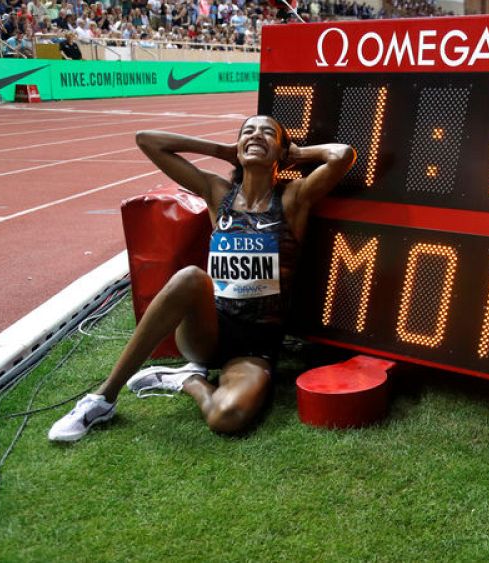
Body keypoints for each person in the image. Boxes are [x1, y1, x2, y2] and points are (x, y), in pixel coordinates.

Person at [48, 116, 355, 441]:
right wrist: (223, 150)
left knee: (227, 417)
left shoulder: (293, 198)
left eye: (268, 133)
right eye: (248, 132)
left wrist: (296, 154)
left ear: (280, 151)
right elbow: (147, 140)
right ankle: (102, 399)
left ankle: (188, 381)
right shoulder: (217, 191)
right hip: (208, 331)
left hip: (255, 347)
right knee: (191, 277)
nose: (257, 135)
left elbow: (343, 155)